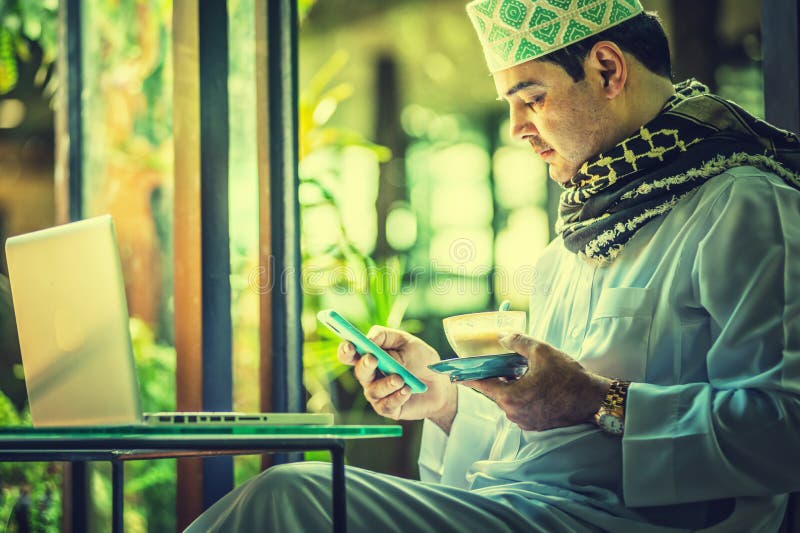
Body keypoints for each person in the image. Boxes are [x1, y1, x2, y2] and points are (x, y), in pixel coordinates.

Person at [186, 1, 800, 531]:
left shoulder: (742, 205)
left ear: (608, 69)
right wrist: (445, 396)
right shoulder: (579, 231)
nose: (515, 129)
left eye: (530, 98)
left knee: (292, 497)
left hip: (621, 522)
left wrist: (599, 400)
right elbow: (547, 430)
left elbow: (788, 428)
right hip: (533, 510)